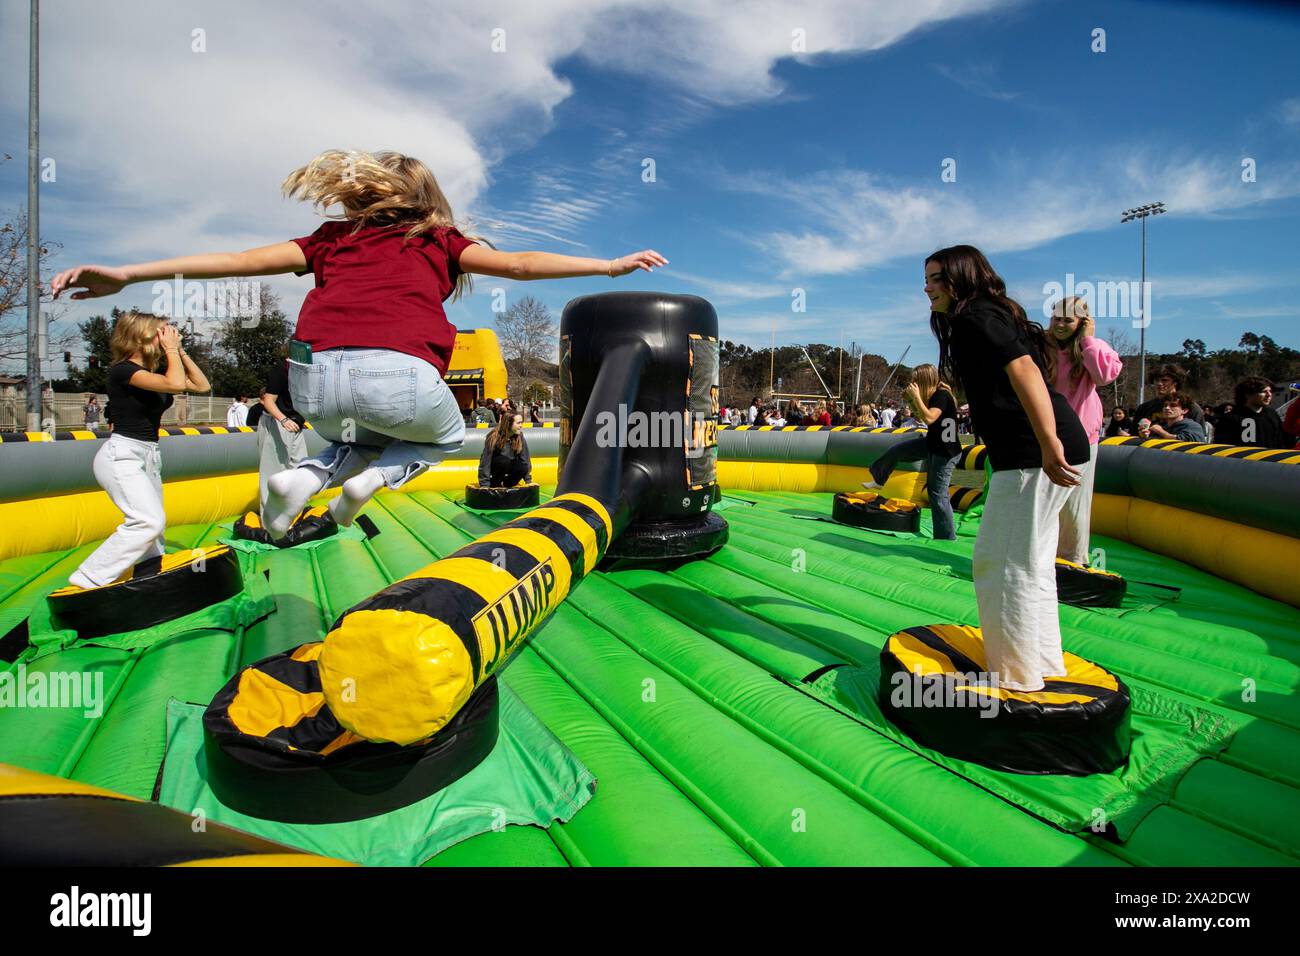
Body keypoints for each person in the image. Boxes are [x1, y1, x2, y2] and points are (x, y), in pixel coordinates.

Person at [50, 149, 666, 541]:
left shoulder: (331, 238)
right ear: (425, 199)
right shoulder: (438, 237)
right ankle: (365, 486)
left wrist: (128, 274)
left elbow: (236, 260)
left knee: (357, 438)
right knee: (448, 435)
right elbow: (522, 264)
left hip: (311, 376)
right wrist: (607, 266)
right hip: (397, 374)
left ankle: (310, 475)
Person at [925, 245, 1088, 692]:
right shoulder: (988, 313)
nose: (927, 287)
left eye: (937, 277)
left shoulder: (974, 316)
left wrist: (1048, 442)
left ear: (961, 276)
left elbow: (1025, 372)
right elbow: (1014, 374)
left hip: (1033, 452)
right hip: (1045, 446)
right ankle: (1042, 663)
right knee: (1031, 563)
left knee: (999, 564)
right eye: (927, 278)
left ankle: (1015, 678)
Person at [61, 312, 211, 590]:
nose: (166, 337)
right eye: (160, 332)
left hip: (149, 455)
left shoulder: (153, 376)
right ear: (141, 337)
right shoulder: (123, 371)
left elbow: (202, 385)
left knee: (156, 531)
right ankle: (86, 581)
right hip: (122, 455)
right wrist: (170, 350)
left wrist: (178, 351)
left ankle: (149, 573)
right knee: (148, 522)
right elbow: (176, 384)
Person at [1045, 295, 1122, 566]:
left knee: (1074, 503)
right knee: (1042, 498)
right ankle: (1042, 555)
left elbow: (1104, 376)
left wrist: (1089, 340)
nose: (1060, 324)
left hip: (1081, 435)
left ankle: (1073, 560)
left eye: (1068, 319)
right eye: (1056, 318)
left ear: (1082, 322)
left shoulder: (1094, 348)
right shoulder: (1043, 348)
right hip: (1047, 432)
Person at [861, 364, 963, 540]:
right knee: (897, 450)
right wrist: (910, 400)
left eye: (916, 380)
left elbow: (930, 418)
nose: (913, 383)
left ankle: (946, 537)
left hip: (945, 452)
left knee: (937, 494)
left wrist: (916, 397)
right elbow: (920, 416)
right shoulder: (932, 396)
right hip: (933, 444)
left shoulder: (941, 395)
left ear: (924, 380)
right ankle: (879, 479)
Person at [256, 348, 309, 519]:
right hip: (278, 422)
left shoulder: (308, 372)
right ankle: (270, 520)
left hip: (295, 425)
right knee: (273, 472)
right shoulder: (283, 369)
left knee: (300, 469)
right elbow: (268, 402)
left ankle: (294, 514)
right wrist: (283, 420)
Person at [1215, 377, 1289, 448]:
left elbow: (1281, 442)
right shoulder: (1231, 419)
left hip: (1269, 460)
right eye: (1264, 391)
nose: (1269, 395)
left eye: (1270, 391)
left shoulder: (1272, 415)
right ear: (1248, 394)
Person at [1135, 364, 1204, 426]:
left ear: (1175, 383)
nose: (1159, 384)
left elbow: (1197, 437)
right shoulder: (1144, 408)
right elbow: (1134, 435)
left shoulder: (1191, 408)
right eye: (1156, 380)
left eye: (1164, 380)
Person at [478, 412, 532, 488]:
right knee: (504, 461)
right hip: (496, 466)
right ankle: (495, 483)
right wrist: (484, 484)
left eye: (521, 423)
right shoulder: (494, 436)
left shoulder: (519, 436)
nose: (521, 426)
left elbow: (525, 458)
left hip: (509, 465)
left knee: (522, 467)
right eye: (518, 423)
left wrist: (528, 481)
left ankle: (507, 484)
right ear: (509, 424)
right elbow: (485, 461)